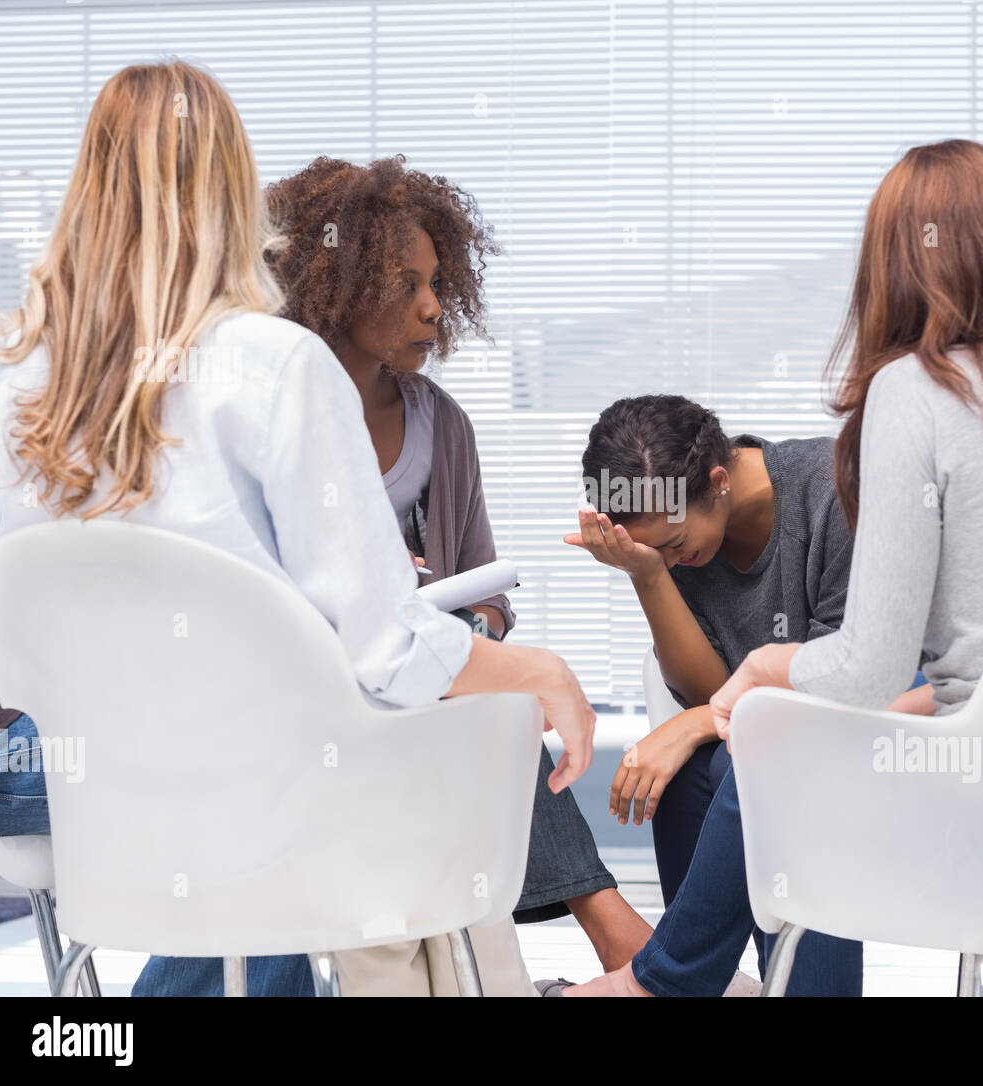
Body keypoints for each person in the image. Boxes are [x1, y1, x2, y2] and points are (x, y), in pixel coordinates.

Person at [0, 60, 594, 998]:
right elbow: (385, 646)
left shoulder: (11, 379)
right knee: (430, 734)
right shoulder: (275, 367)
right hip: (268, 796)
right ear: (232, 190)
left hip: (71, 798)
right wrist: (541, 673)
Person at [569, 139, 983, 997]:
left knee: (773, 751)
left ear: (894, 269)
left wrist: (762, 669)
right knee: (763, 748)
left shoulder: (915, 394)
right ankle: (667, 980)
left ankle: (658, 985)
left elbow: (864, 671)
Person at [260, 155, 653, 980]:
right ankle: (607, 928)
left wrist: (467, 625)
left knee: (480, 699)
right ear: (337, 282)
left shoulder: (442, 426)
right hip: (316, 697)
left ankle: (593, 935)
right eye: (406, 285)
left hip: (415, 681)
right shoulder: (271, 411)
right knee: (483, 704)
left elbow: (487, 588)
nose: (434, 307)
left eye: (439, 282)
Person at [567, 394, 866, 986]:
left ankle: (672, 981)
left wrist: (695, 724)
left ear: (719, 481)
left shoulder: (835, 490)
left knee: (751, 763)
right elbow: (713, 692)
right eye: (656, 552)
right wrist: (648, 574)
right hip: (765, 752)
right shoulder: (676, 550)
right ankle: (699, 982)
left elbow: (849, 678)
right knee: (701, 771)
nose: (676, 561)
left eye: (674, 544)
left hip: (870, 741)